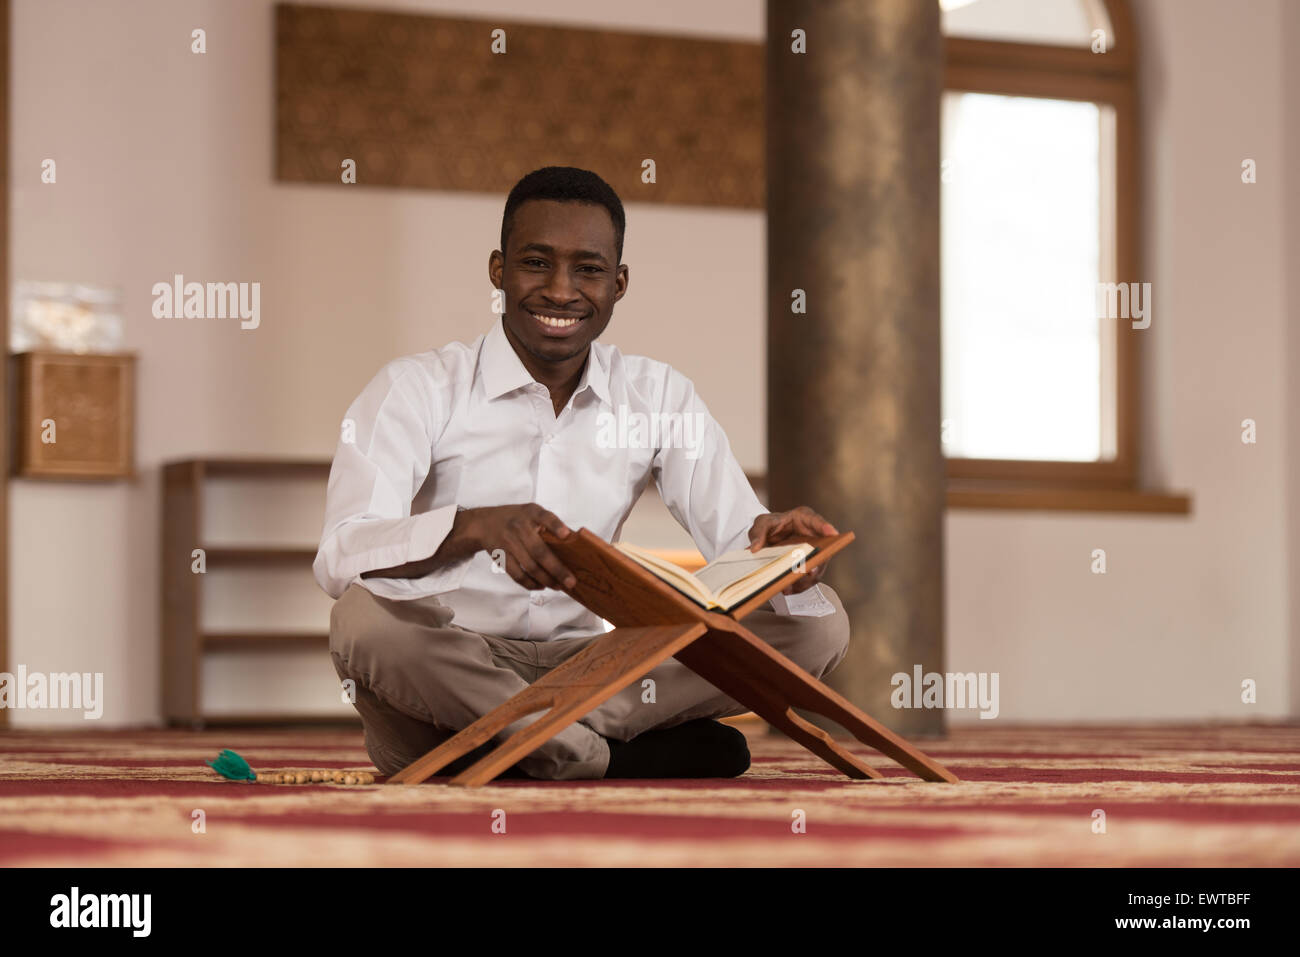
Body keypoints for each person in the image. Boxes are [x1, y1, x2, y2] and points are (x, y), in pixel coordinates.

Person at [313, 166, 849, 780]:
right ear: (498, 270)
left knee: (820, 624)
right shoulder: (417, 388)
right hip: (453, 664)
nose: (561, 291)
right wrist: (470, 528)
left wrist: (783, 561)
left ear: (618, 283)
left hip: (600, 667)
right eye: (536, 263)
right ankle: (600, 753)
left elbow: (736, 547)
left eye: (588, 269)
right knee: (362, 621)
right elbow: (342, 553)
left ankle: (542, 745)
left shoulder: (656, 394)